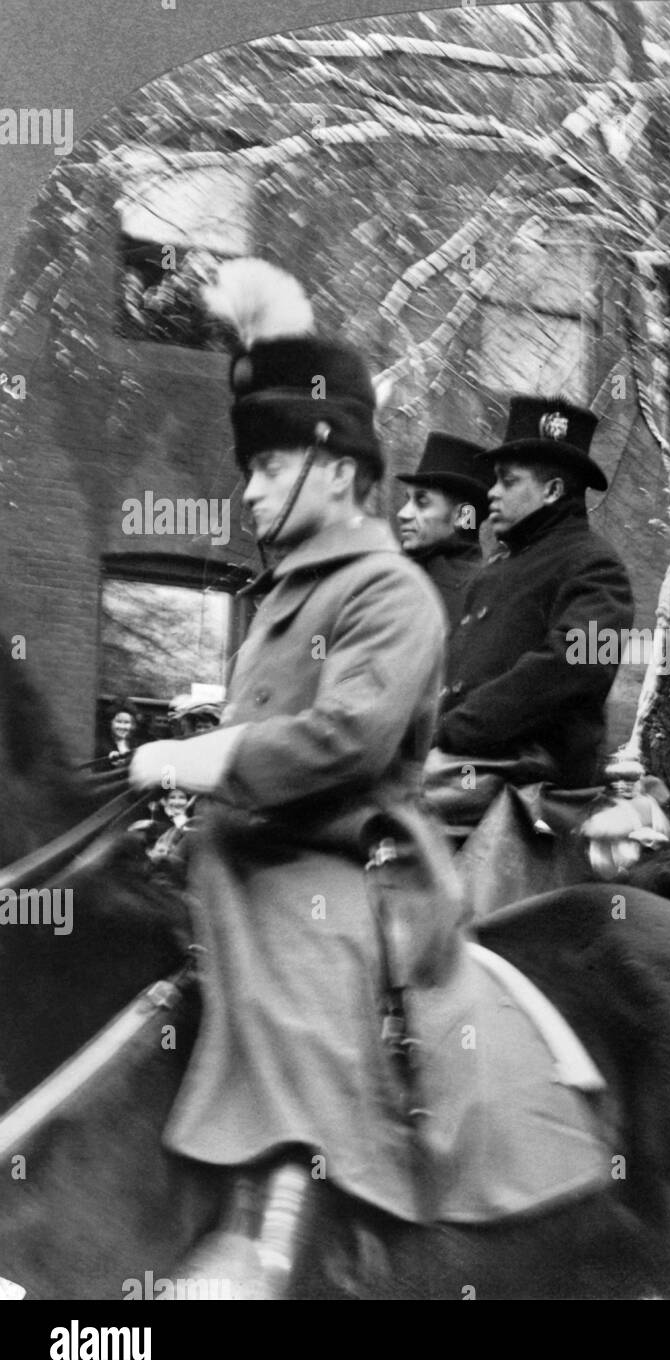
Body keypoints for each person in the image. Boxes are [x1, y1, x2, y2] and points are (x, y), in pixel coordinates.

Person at [128, 258, 456, 1293]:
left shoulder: (391, 592)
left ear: (333, 464)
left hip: (334, 872)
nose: (249, 487)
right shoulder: (282, 595)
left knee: (295, 982)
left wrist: (209, 756)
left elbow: (351, 739)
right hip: (240, 859)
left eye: (269, 466)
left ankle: (272, 1248)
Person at [429, 396, 634, 821]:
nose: (491, 493)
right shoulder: (497, 569)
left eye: (507, 481)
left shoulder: (596, 564)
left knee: (391, 815)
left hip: (531, 775)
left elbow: (574, 667)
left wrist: (460, 726)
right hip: (472, 762)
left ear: (553, 490)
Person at [394, 431, 491, 627]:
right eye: (408, 499)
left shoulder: (474, 591)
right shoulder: (406, 571)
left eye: (422, 502)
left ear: (462, 516)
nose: (403, 514)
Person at [100, 699, 141, 766]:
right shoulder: (102, 745)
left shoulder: (138, 744)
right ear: (110, 723)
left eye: (126, 722)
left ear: (133, 725)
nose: (122, 727)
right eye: (118, 722)